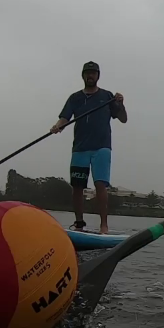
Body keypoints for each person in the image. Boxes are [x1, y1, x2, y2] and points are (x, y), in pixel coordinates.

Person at [50, 61, 127, 234]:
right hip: (80, 148)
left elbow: (123, 118)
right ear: (83, 76)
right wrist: (57, 126)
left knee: (100, 185)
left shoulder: (107, 96)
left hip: (102, 147)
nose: (90, 76)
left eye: (93, 73)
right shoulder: (75, 98)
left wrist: (121, 103)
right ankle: (79, 223)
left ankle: (104, 226)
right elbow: (64, 118)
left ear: (98, 76)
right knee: (77, 187)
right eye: (87, 73)